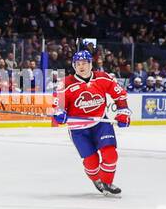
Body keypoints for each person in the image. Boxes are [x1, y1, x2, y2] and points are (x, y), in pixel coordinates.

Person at [52, 48, 129, 195]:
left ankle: (107, 182)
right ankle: (96, 179)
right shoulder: (65, 83)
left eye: (85, 63)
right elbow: (58, 105)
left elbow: (120, 95)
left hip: (101, 123)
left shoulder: (102, 78)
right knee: (91, 162)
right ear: (74, 66)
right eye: (78, 63)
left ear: (90, 64)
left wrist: (123, 112)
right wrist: (60, 113)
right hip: (78, 129)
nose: (82, 66)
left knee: (111, 155)